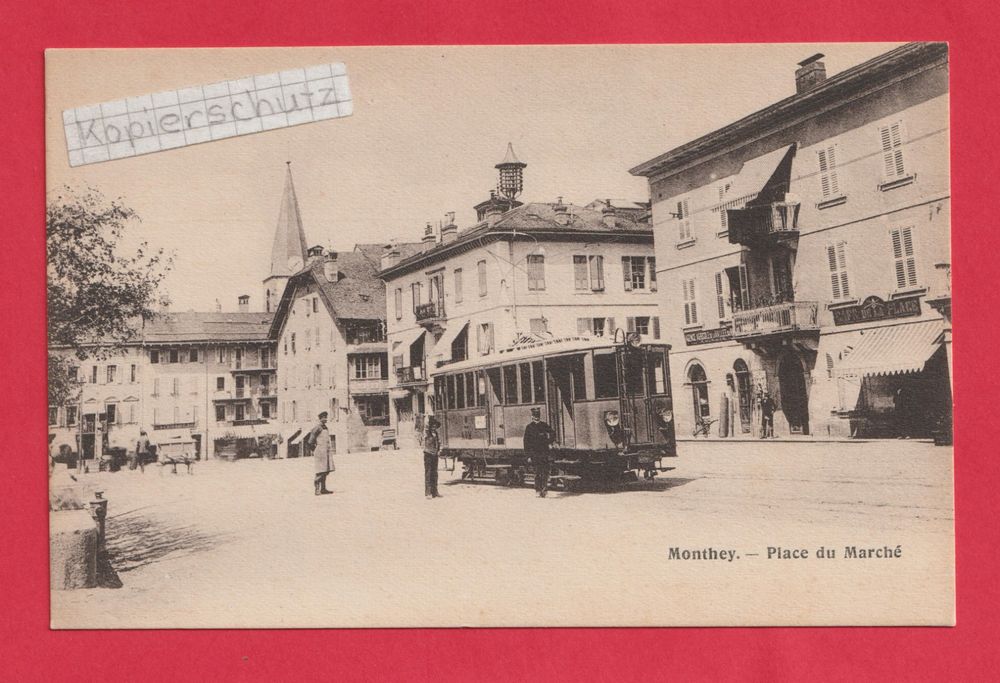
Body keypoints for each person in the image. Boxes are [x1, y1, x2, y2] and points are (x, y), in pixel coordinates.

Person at [523, 407, 555, 497]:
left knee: (545, 472)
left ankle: (544, 490)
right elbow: (526, 443)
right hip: (535, 454)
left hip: (544, 453)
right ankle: (537, 490)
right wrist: (528, 456)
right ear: (532, 417)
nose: (536, 417)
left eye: (538, 416)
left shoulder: (544, 425)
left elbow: (553, 433)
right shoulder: (529, 427)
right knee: (537, 473)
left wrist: (549, 442)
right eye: (535, 416)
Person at [306, 412, 335, 495]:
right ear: (320, 418)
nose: (326, 419)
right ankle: (317, 489)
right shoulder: (317, 428)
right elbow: (310, 441)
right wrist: (315, 450)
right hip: (320, 452)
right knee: (320, 471)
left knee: (326, 471)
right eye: (324, 417)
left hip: (326, 452)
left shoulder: (325, 427)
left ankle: (323, 489)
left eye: (326, 417)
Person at [423, 417, 442, 498]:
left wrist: (439, 450)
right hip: (428, 455)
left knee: (435, 473)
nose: (434, 428)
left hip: (435, 455)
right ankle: (428, 493)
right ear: (430, 427)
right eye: (433, 426)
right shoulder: (427, 433)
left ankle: (435, 492)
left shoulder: (436, 434)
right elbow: (424, 427)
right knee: (428, 473)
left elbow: (439, 442)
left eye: (435, 427)